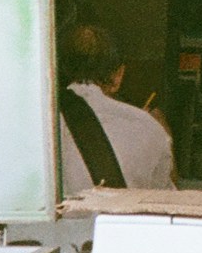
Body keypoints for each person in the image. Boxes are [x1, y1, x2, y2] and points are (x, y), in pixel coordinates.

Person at [56, 22, 174, 196]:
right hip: (115, 223)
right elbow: (165, 200)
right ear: (118, 75)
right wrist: (165, 134)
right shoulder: (149, 127)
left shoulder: (30, 123)